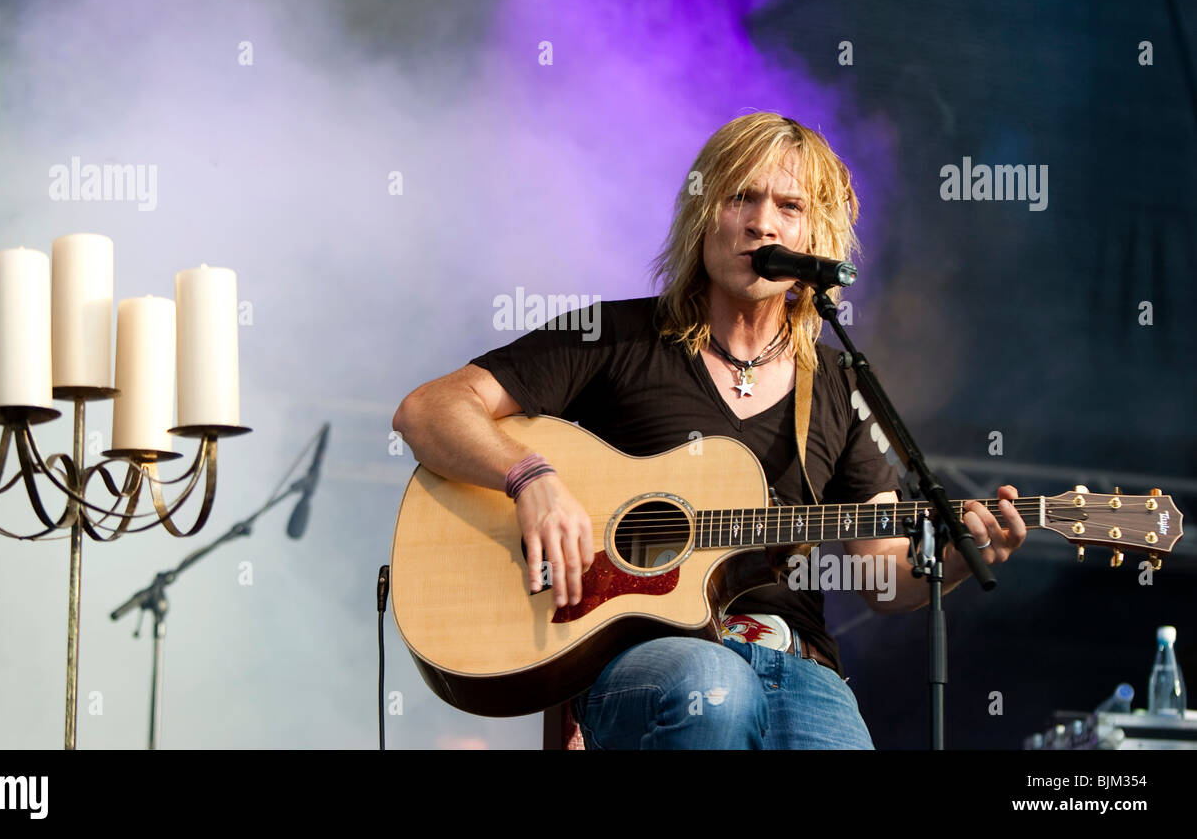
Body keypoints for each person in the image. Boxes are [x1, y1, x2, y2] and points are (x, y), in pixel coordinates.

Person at [391, 112, 1026, 749]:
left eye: (790, 207)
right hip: (644, 663)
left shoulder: (841, 383)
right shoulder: (614, 338)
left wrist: (958, 558)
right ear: (703, 214)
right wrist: (531, 478)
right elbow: (428, 410)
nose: (762, 223)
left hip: (799, 664)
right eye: (741, 197)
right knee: (717, 689)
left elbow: (880, 575)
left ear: (814, 237)